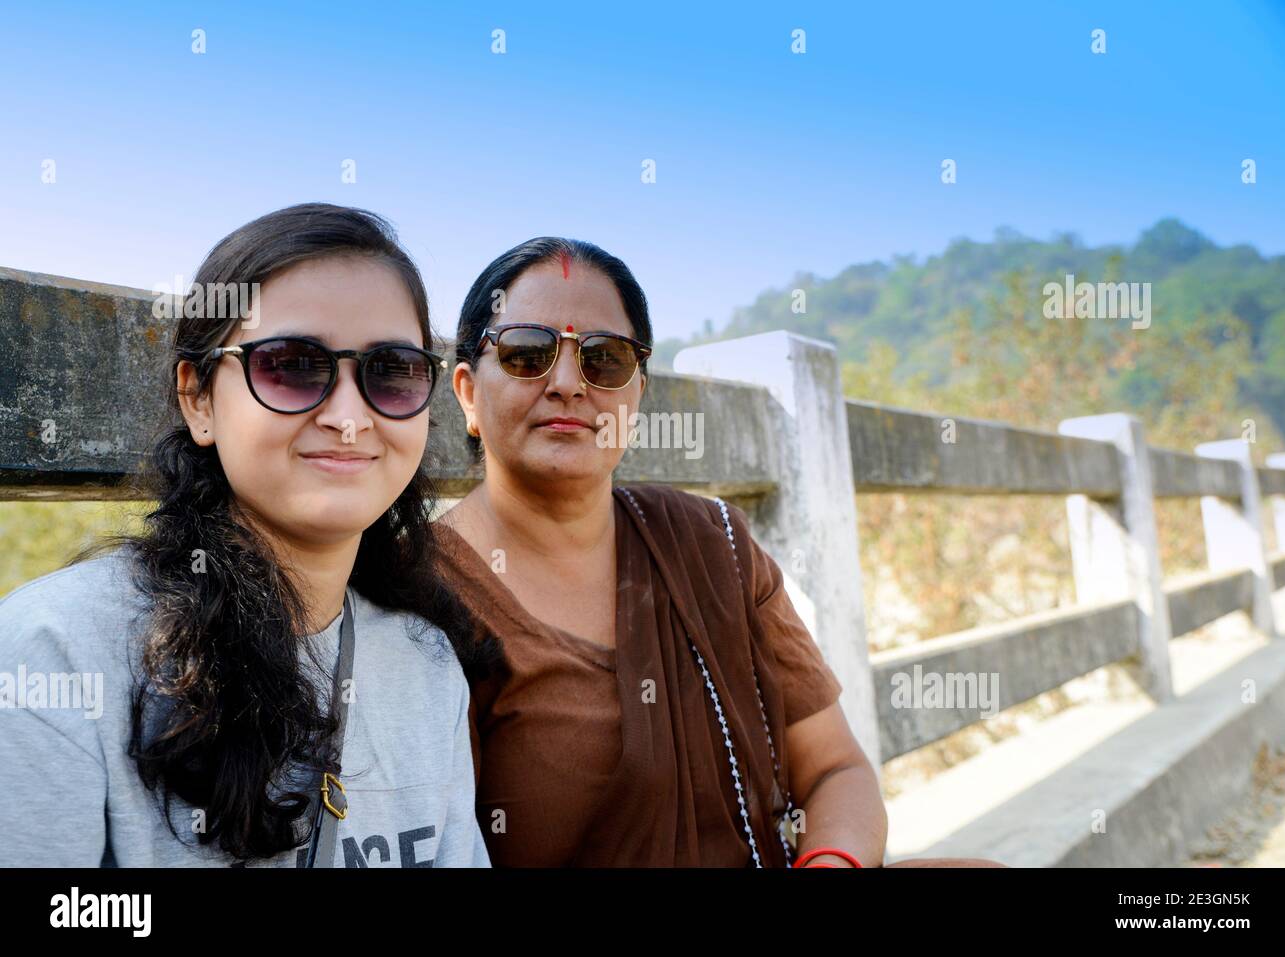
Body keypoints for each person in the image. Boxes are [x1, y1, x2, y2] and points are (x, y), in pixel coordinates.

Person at [433, 237, 1005, 867]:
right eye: (527, 353)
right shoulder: (425, 599)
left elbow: (836, 770)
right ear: (467, 392)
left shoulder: (712, 545)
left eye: (606, 359)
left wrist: (831, 864)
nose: (569, 384)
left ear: (637, 395)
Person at [0, 203, 497, 868]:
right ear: (199, 400)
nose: (350, 417)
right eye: (291, 364)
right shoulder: (56, 651)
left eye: (390, 370)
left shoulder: (426, 663)